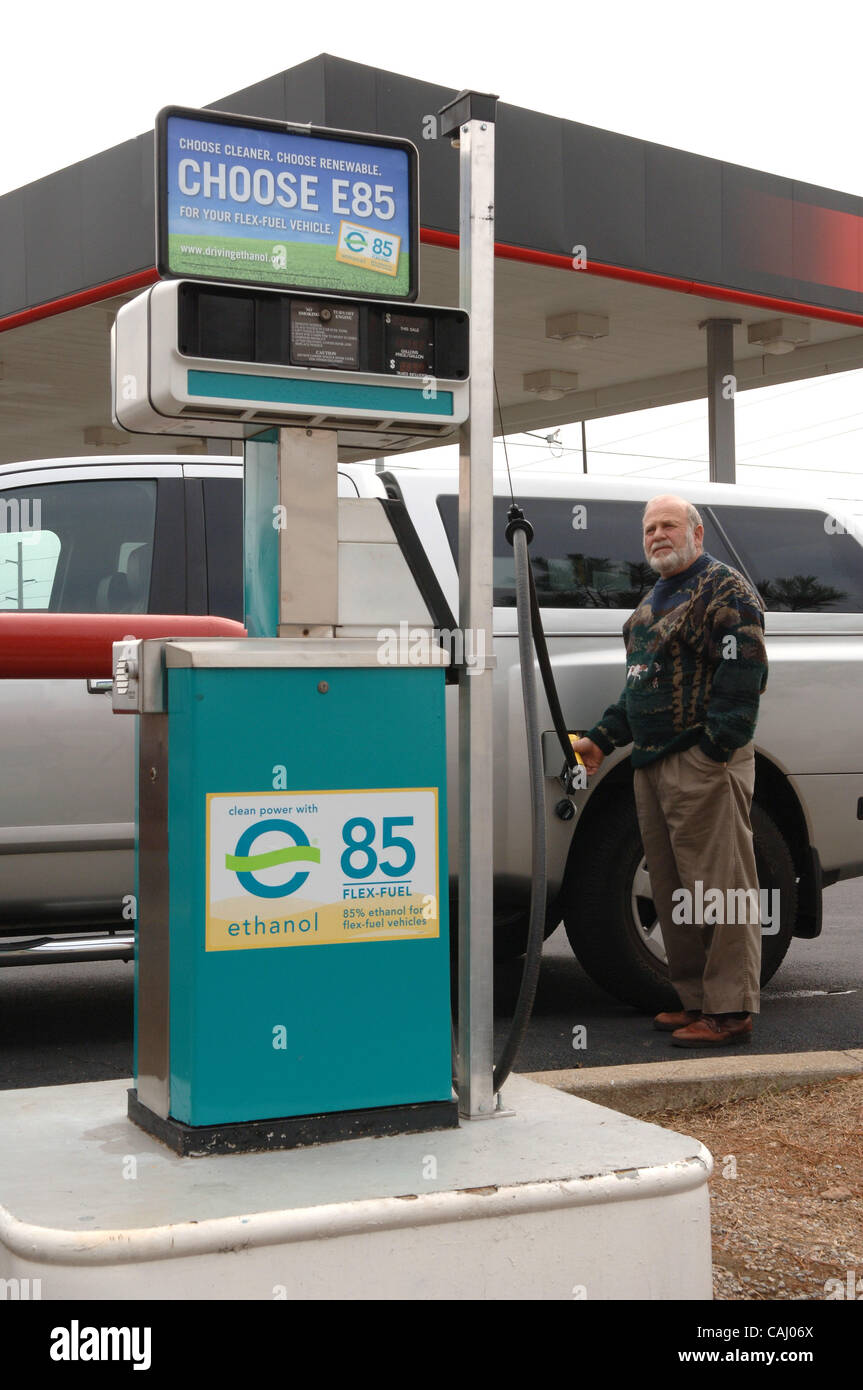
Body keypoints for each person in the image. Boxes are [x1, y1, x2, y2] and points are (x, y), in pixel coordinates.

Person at [573, 494, 768, 1047]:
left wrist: (714, 749)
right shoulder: (652, 599)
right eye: (650, 528)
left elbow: (744, 674)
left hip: (700, 762)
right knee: (673, 888)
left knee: (720, 887)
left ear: (697, 534)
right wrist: (602, 739)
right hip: (652, 764)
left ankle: (731, 1012)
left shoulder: (725, 589)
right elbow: (638, 687)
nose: (657, 534)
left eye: (669, 525)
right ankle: (696, 1000)